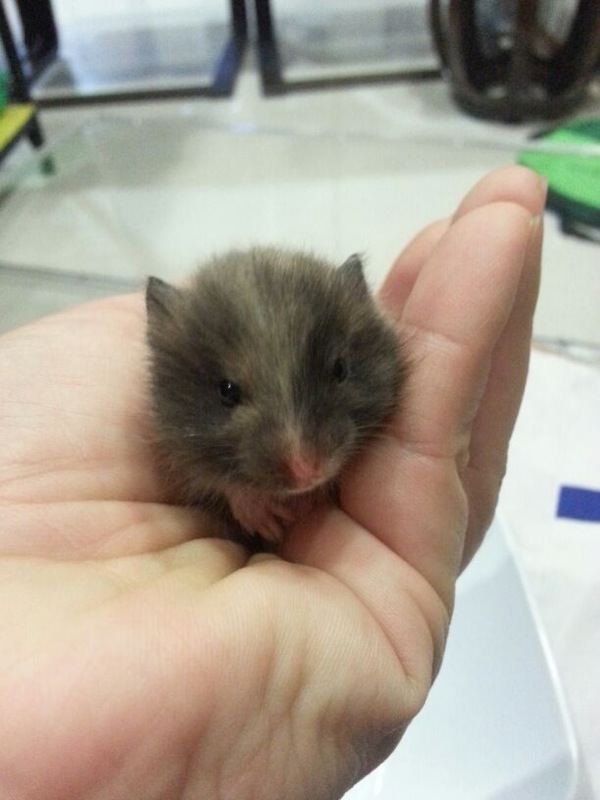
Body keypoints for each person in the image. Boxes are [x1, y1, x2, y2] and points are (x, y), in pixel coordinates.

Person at [0, 165, 544, 800]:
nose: (301, 461)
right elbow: (180, 444)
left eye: (335, 373)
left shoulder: (367, 342)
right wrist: (234, 489)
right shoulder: (168, 402)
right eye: (231, 394)